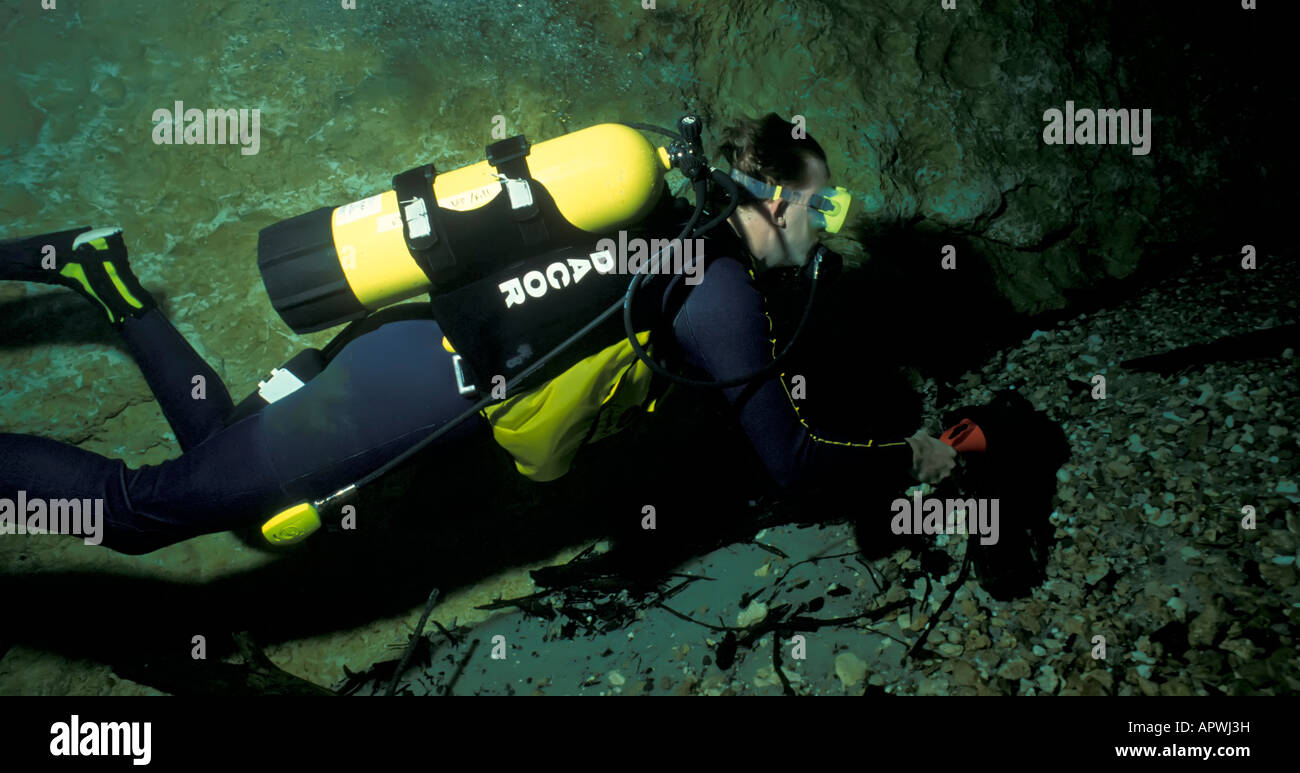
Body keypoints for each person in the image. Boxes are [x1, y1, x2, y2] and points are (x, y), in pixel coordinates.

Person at [0, 114, 955, 555]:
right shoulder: (720, 291)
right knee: (131, 517)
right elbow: (789, 466)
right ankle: (100, 293)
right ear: (778, 198)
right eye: (822, 201)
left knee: (231, 484)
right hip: (403, 397)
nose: (825, 221)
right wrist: (910, 458)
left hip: (400, 340)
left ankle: (108, 281)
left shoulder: (663, 199)